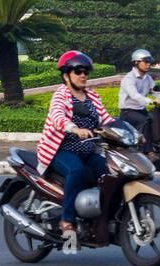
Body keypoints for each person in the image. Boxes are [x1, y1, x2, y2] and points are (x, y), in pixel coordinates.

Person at [37, 51, 115, 236]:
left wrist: (129, 132)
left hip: (87, 150)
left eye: (85, 72)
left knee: (110, 171)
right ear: (66, 75)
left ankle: (99, 215)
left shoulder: (92, 96)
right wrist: (74, 128)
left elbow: (106, 119)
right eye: (78, 71)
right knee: (77, 172)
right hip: (60, 150)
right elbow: (57, 117)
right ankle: (67, 219)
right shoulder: (61, 95)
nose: (83, 75)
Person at [119, 48, 160, 153]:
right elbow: (134, 95)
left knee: (158, 120)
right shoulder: (129, 78)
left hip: (140, 110)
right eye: (146, 62)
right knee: (145, 120)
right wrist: (152, 101)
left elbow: (155, 91)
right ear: (136, 62)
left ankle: (158, 147)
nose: (148, 64)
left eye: (149, 62)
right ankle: (146, 152)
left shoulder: (148, 78)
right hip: (128, 112)